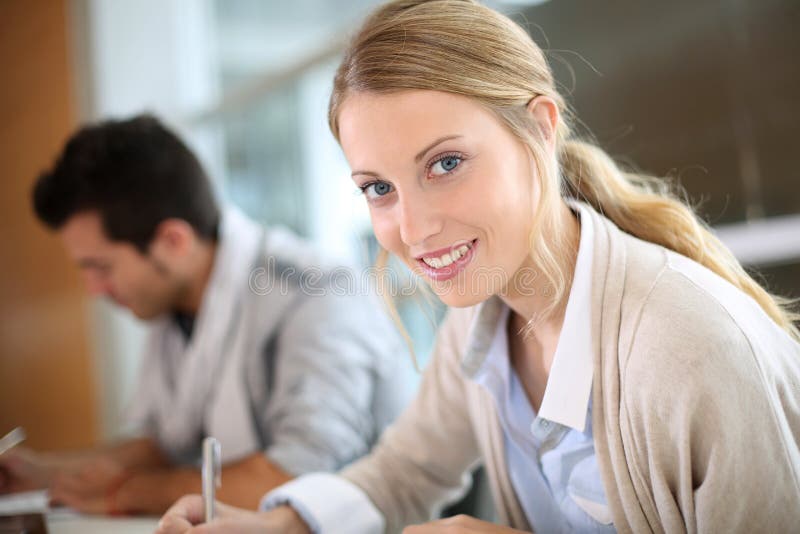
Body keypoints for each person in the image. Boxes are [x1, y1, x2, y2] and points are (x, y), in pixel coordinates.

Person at [156, 0, 800, 532]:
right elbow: (404, 471)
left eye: (445, 164)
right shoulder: (482, 319)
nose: (411, 230)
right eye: (379, 188)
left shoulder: (691, 350)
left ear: (541, 130)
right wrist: (277, 525)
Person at [0, 114, 411, 515]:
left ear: (173, 241)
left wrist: (128, 491)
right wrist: (46, 473)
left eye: (101, 267)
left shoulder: (315, 294)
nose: (93, 289)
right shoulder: (176, 309)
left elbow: (298, 478)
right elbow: (168, 444)